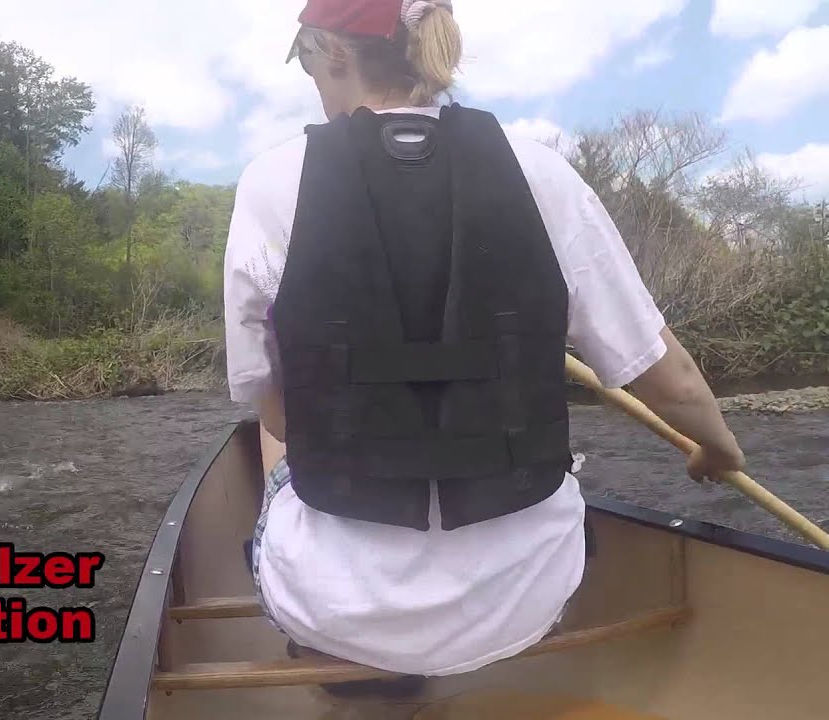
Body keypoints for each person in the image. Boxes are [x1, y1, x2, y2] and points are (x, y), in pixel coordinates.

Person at [223, 0, 748, 679]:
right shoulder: (543, 174)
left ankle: (346, 639)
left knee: (276, 401)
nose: (314, 85)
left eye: (307, 64)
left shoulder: (270, 182)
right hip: (530, 599)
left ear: (336, 54)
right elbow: (666, 374)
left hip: (329, 605)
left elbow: (274, 411)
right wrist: (717, 446)